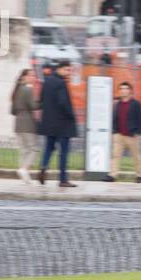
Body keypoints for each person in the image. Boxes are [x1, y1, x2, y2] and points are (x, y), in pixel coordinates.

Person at [38, 60, 78, 188]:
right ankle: (63, 179)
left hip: (49, 123)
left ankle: (43, 167)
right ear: (60, 69)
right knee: (64, 152)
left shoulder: (47, 81)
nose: (69, 73)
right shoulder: (61, 83)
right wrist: (71, 115)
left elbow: (41, 100)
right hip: (62, 124)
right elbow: (63, 103)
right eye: (67, 70)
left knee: (49, 148)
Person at [109, 81, 141, 183]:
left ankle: (140, 176)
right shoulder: (118, 104)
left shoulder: (136, 104)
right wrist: (114, 132)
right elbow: (115, 118)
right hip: (119, 135)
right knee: (115, 155)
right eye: (121, 89)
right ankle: (113, 175)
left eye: (125, 88)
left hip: (132, 135)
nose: (123, 90)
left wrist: (138, 132)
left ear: (130, 91)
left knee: (136, 156)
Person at [10, 68, 41, 183]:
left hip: (18, 122)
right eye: (31, 76)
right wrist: (41, 102)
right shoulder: (28, 89)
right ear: (24, 77)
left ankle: (24, 174)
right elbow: (33, 106)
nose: (33, 78)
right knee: (33, 149)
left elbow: (12, 110)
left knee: (24, 150)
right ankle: (24, 169)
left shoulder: (17, 90)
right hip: (28, 122)